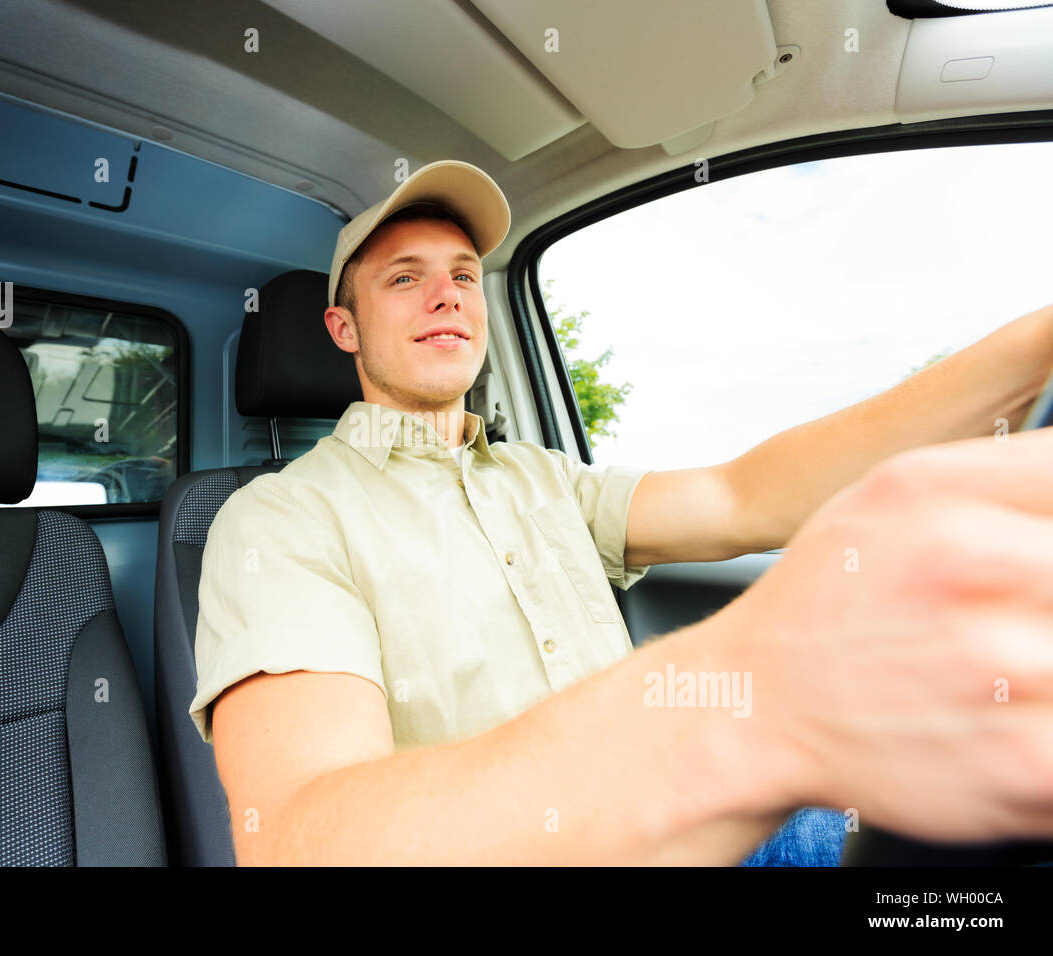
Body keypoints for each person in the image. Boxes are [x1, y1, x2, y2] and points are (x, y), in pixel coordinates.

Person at [189, 159, 1053, 865]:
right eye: (405, 279)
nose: (447, 295)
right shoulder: (278, 521)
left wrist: (1036, 346)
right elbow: (303, 839)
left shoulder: (543, 476)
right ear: (344, 329)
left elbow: (742, 494)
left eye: (463, 276)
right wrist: (751, 703)